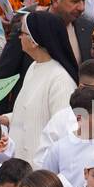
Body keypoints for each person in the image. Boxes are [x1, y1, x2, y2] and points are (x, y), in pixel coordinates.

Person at [8, 11, 81, 162]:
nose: (19, 37)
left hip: (41, 170)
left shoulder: (60, 79)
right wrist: (7, 118)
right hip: (20, 165)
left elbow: (63, 130)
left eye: (21, 32)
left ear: (34, 41)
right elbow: (31, 110)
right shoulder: (34, 66)